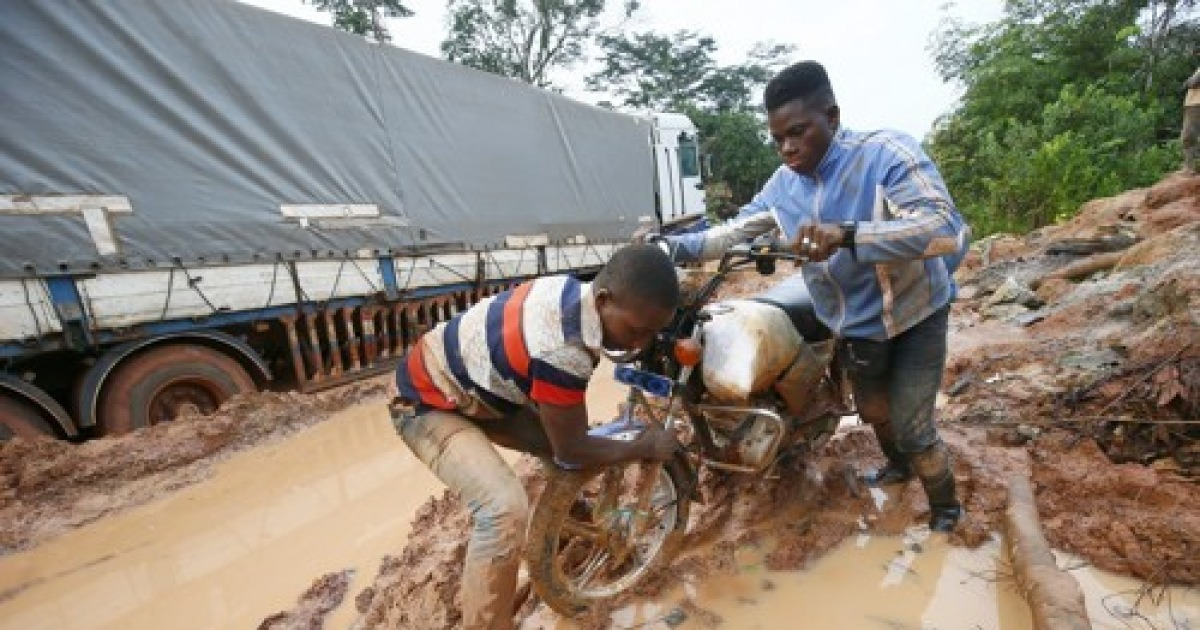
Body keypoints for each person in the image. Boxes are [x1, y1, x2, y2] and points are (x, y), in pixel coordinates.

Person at [654, 61, 969, 532]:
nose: (788, 148)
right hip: (856, 324)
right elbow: (735, 230)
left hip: (915, 312)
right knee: (875, 410)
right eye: (778, 138)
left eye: (798, 133)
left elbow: (944, 228)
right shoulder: (783, 187)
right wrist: (669, 246)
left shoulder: (885, 154)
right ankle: (899, 467)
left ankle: (946, 506)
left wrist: (848, 235)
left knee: (914, 427)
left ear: (833, 116)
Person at [388, 244, 680, 630]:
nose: (639, 345)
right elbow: (573, 450)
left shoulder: (575, 293)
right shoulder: (565, 350)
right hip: (424, 401)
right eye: (636, 330)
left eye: (652, 334)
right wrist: (644, 445)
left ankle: (570, 537)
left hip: (481, 388)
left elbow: (564, 443)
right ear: (605, 299)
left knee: (553, 442)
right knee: (503, 508)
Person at [1183, 65, 1200, 174]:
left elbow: (1192, 83)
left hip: (1196, 104)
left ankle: (1190, 167)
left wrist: (1188, 82)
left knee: (1188, 136)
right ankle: (1190, 166)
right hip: (1194, 103)